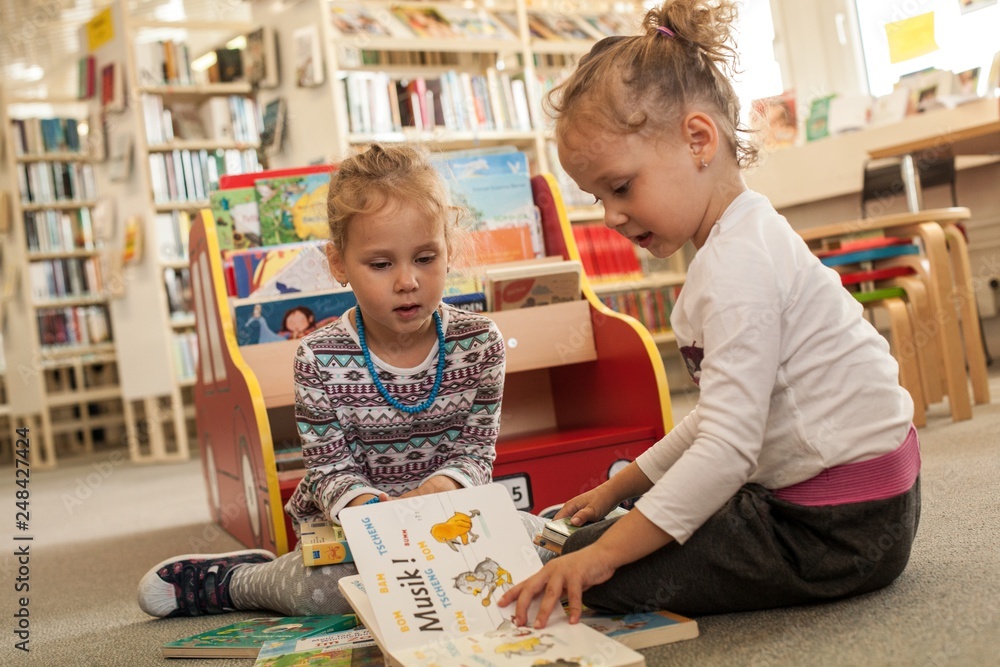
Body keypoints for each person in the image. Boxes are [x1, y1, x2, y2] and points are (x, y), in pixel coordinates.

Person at [499, 0, 920, 628]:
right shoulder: (744, 236)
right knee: (614, 534)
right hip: (866, 501)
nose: (610, 216)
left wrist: (601, 557)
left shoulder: (736, 267)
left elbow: (726, 448)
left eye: (621, 187)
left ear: (699, 140)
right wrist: (620, 487)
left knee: (592, 563)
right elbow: (718, 421)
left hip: (835, 532)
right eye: (597, 198)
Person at [138, 144, 547, 618]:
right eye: (381, 264)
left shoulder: (481, 342)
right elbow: (330, 468)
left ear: (449, 251)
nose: (407, 281)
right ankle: (236, 583)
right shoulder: (318, 356)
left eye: (425, 257)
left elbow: (475, 453)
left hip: (449, 517)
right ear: (338, 264)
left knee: (538, 544)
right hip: (354, 529)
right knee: (326, 593)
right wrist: (374, 511)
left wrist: (439, 490)